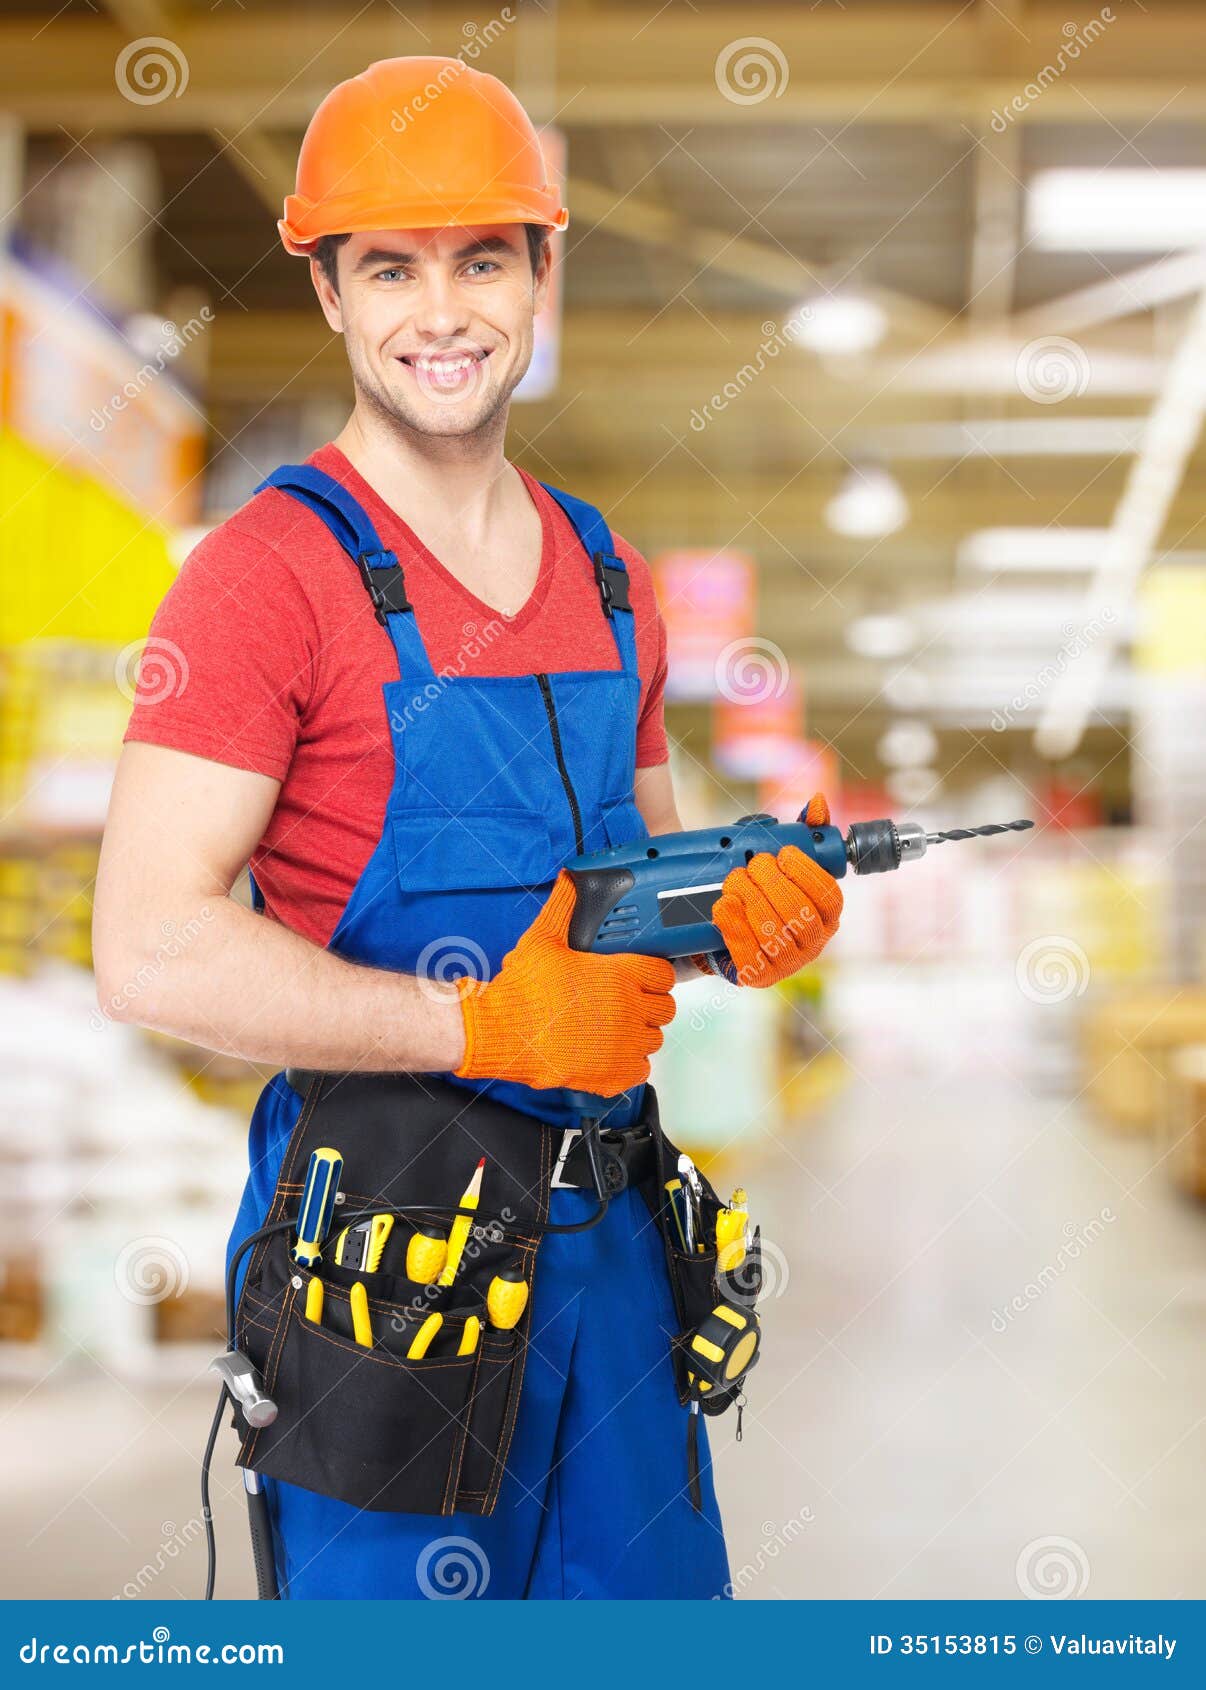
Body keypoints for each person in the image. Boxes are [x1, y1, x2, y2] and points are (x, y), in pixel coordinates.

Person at [94, 56, 843, 1600]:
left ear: (542, 272)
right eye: (390, 267)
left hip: (612, 1253)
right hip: (390, 1274)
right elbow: (147, 945)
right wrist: (476, 1022)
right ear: (326, 290)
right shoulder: (261, 578)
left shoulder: (610, 574)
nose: (440, 312)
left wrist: (737, 914)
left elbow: (634, 894)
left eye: (482, 260)